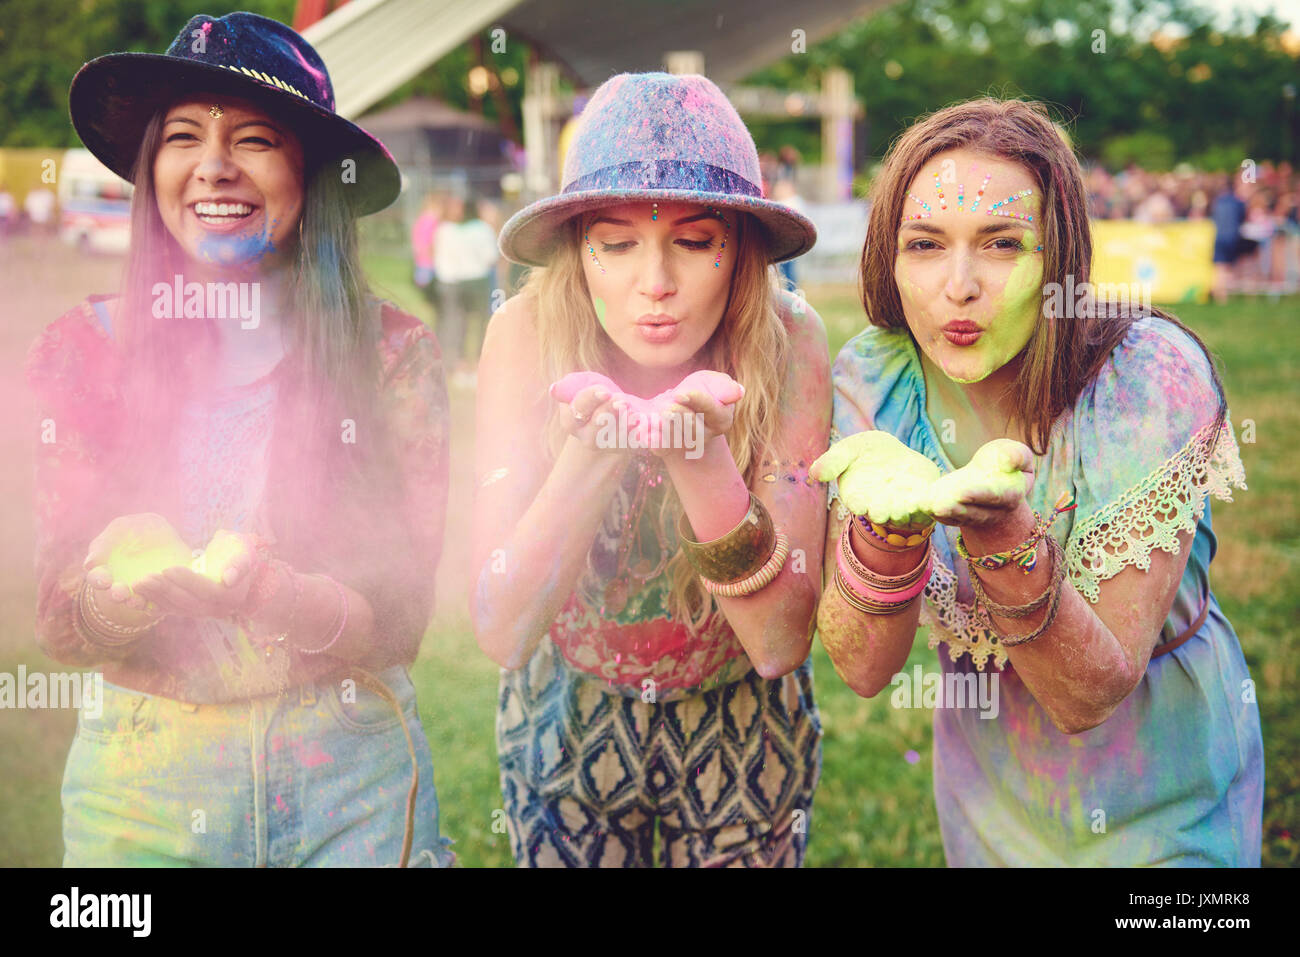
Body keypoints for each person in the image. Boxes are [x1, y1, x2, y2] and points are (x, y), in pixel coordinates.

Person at [26, 12, 454, 867]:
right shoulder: (81, 353)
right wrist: (116, 595)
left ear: (310, 173)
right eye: (183, 135)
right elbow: (60, 620)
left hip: (351, 773)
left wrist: (279, 597)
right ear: (152, 171)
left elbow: (401, 618)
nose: (214, 163)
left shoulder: (393, 354)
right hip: (143, 787)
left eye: (254, 138)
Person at [814, 98, 1262, 866]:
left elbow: (1086, 694)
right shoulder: (874, 380)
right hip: (987, 794)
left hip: (1165, 790)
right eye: (924, 244)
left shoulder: (1146, 380)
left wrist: (996, 527)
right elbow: (861, 667)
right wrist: (887, 534)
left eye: (1001, 244)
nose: (958, 286)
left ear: (1059, 259)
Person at [474, 72, 828, 867]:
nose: (656, 282)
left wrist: (699, 459)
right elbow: (501, 628)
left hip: (743, 718)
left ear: (741, 248)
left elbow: (777, 640)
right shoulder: (523, 333)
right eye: (617, 242)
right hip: (568, 715)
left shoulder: (789, 337)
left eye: (695, 241)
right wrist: (590, 454)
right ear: (577, 248)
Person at [433, 192, 498, 388]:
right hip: (478, 280)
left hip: (455, 281)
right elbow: (491, 257)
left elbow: (439, 256)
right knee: (480, 323)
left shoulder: (445, 230)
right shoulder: (483, 229)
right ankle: (477, 364)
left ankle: (459, 364)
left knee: (458, 323)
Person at [410, 191, 443, 313]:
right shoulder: (432, 221)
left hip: (421, 261)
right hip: (429, 262)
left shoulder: (421, 219)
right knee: (432, 292)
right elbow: (430, 243)